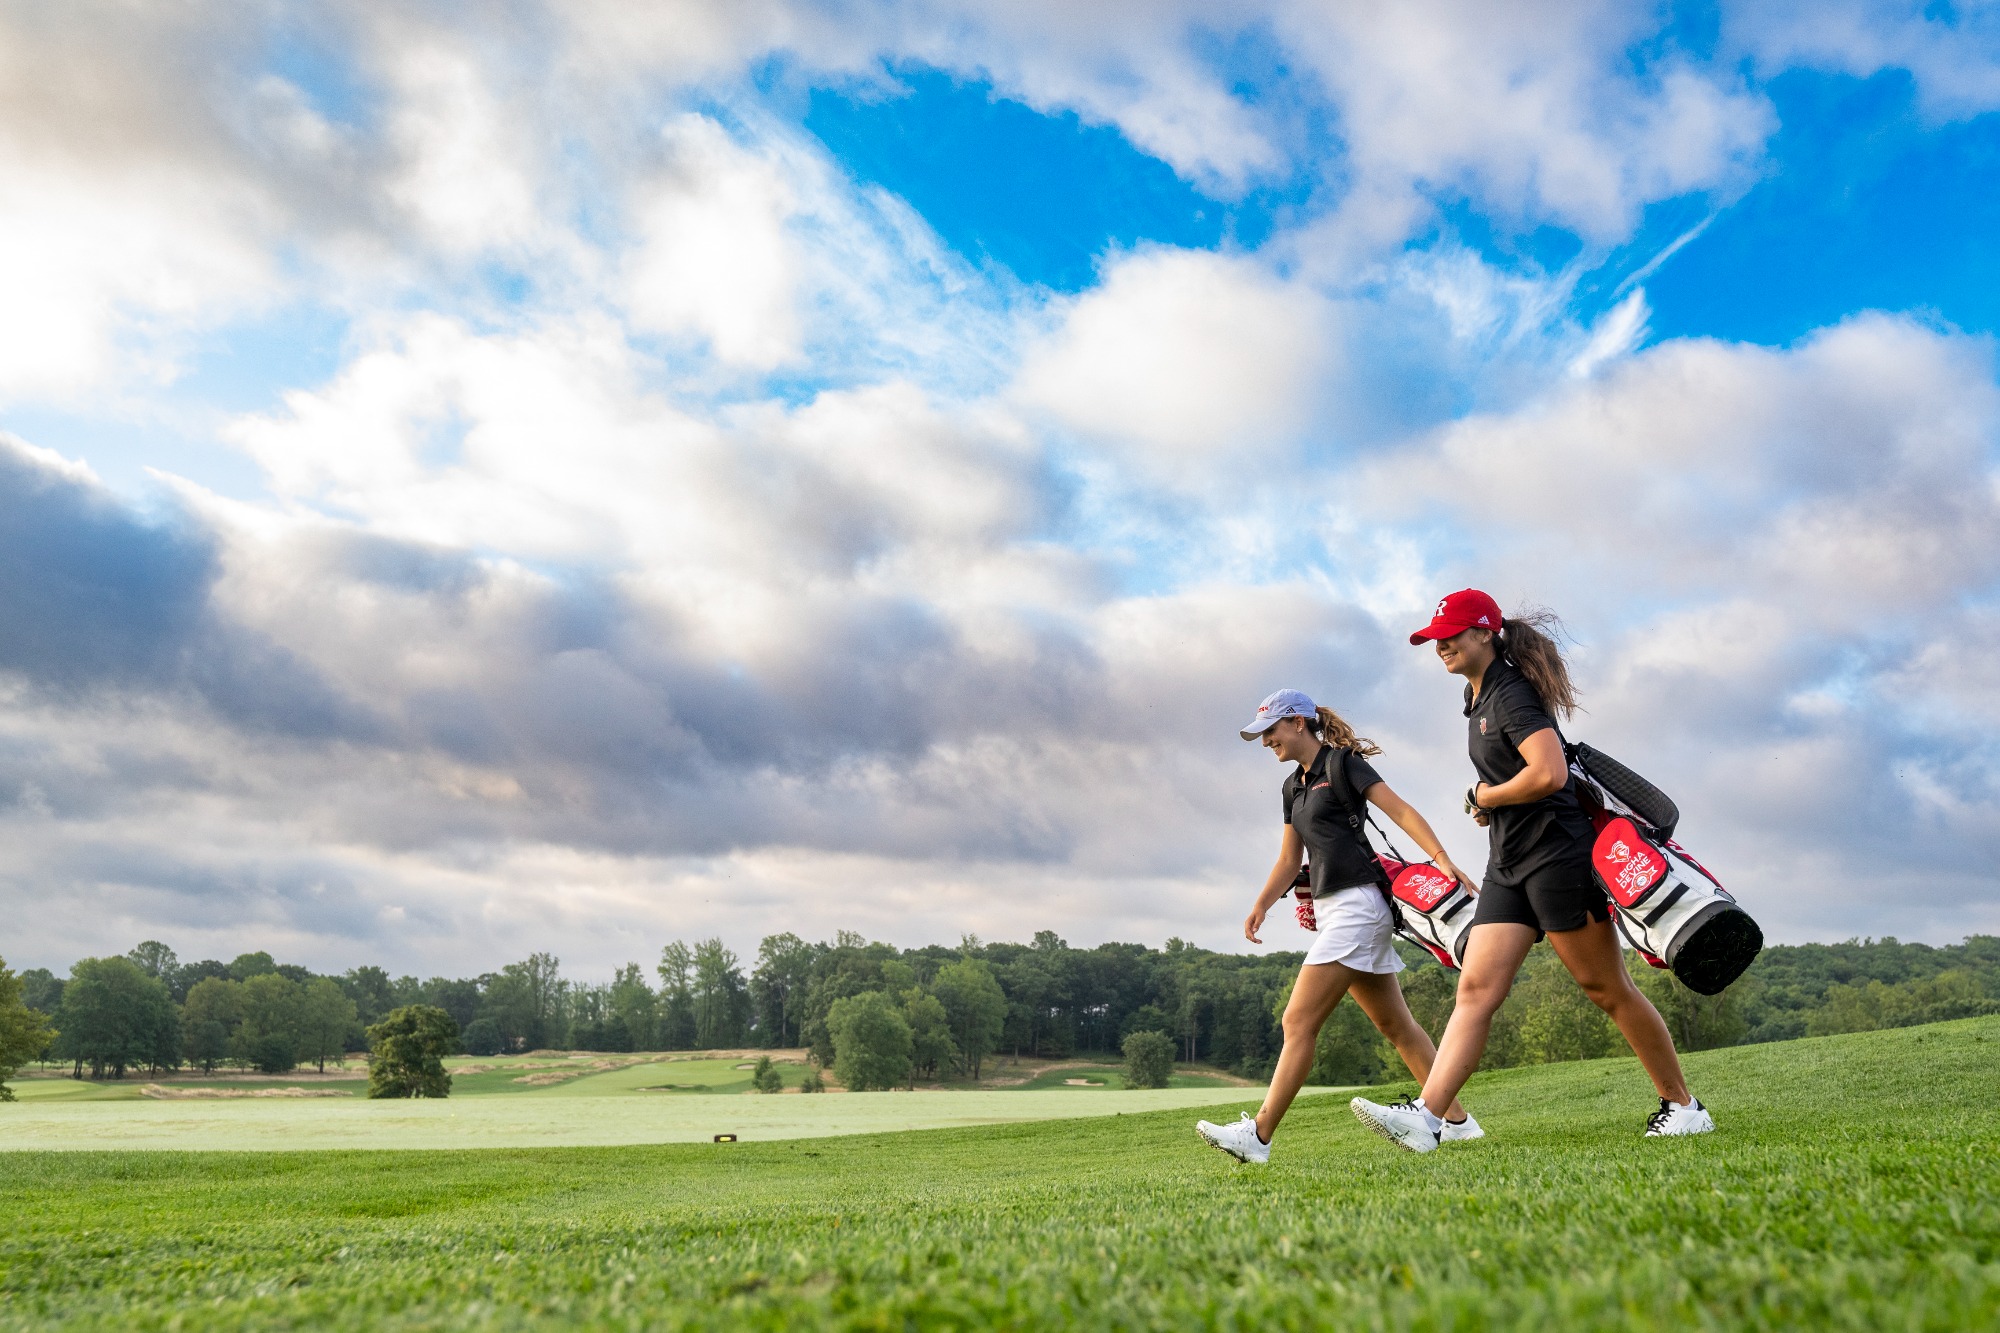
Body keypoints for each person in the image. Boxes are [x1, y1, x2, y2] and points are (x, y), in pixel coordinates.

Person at [1350, 590, 1715, 1153]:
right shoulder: (1478, 701)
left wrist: (1486, 793)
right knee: (1475, 988)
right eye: (1435, 638)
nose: (1441, 645)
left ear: (1485, 633)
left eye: (1452, 634)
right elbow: (1522, 782)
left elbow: (1548, 774)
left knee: (1605, 987)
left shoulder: (1511, 694)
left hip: (1556, 856)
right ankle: (1428, 1119)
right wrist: (1491, 803)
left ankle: (1684, 1107)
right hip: (1509, 864)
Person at [1197, 689, 1482, 1165]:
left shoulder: (1343, 765)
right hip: (1334, 910)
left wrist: (1442, 861)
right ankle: (1458, 1124)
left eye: (1271, 730)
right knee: (1397, 1026)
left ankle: (1259, 1136)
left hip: (1360, 904)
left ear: (1298, 723)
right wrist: (1262, 903)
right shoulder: (1292, 787)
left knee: (1297, 1020)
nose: (1266, 740)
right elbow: (1291, 859)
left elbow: (1402, 811)